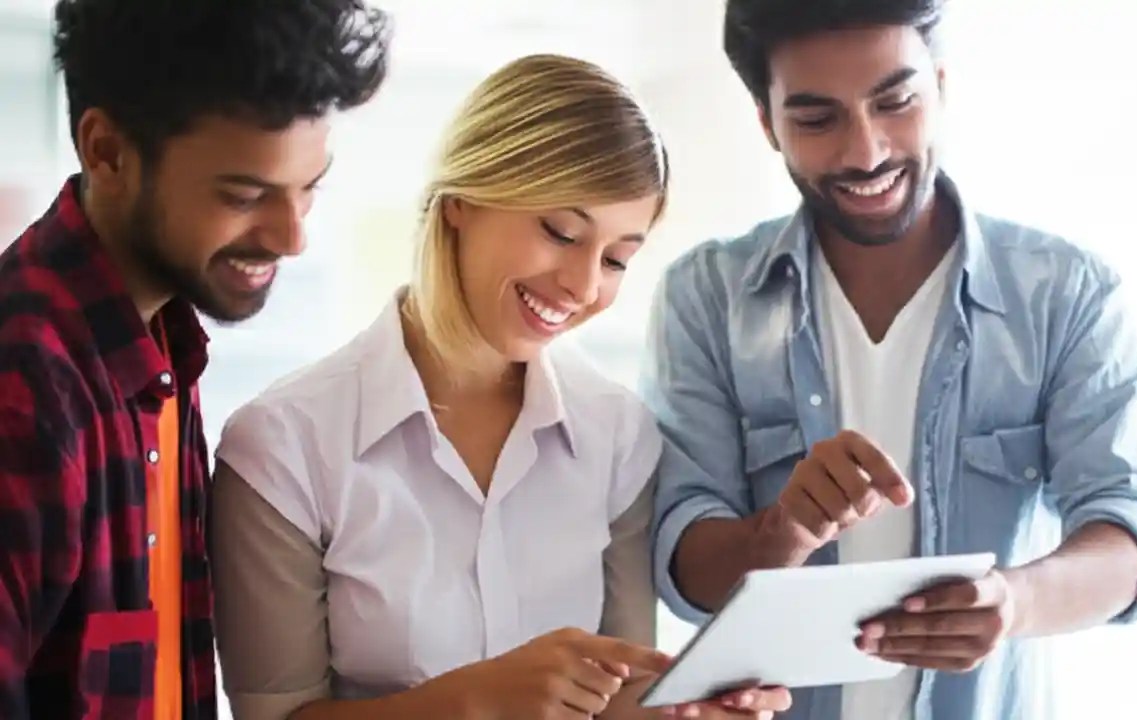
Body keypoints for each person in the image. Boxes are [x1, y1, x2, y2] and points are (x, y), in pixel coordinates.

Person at [208, 53, 791, 720]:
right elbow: (274, 716)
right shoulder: (283, 446)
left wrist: (688, 708)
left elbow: (618, 695)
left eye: (617, 259)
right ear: (462, 202)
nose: (584, 285)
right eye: (561, 232)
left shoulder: (618, 434)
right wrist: (473, 701)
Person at [642, 1, 1137, 719]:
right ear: (767, 125)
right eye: (817, 120)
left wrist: (1013, 603)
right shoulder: (705, 297)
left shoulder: (1065, 293)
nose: (866, 151)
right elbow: (683, 567)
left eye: (895, 102)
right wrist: (783, 530)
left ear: (942, 85)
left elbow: (1132, 534)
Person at [0, 1, 390, 717]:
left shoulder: (162, 343)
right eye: (245, 195)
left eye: (310, 187)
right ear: (107, 153)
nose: (292, 236)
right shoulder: (25, 387)